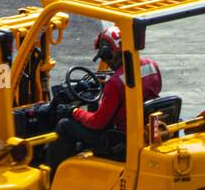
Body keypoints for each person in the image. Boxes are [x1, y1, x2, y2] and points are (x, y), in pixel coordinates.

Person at [48, 27, 162, 170]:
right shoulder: (152, 66)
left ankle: (51, 176)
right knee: (93, 109)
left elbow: (97, 122)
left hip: (119, 140)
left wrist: (73, 111)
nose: (105, 61)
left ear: (108, 53)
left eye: (104, 56)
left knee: (64, 125)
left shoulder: (114, 83)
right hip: (141, 130)